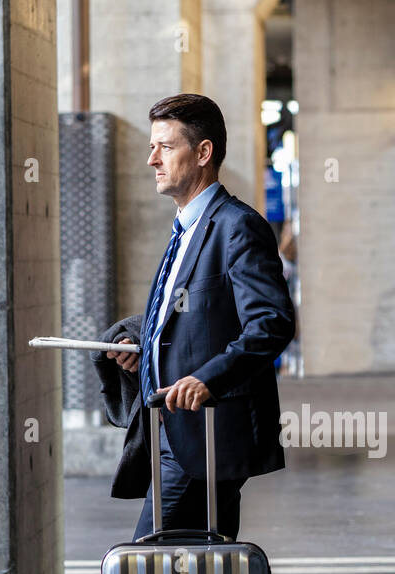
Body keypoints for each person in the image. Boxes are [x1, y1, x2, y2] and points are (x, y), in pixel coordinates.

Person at [91, 93, 295, 542]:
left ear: (203, 153)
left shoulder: (236, 226)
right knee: (213, 565)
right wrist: (139, 345)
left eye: (165, 147)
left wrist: (208, 379)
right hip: (173, 430)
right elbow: (190, 316)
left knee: (145, 565)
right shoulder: (186, 227)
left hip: (205, 431)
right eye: (152, 147)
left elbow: (272, 322)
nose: (151, 160)